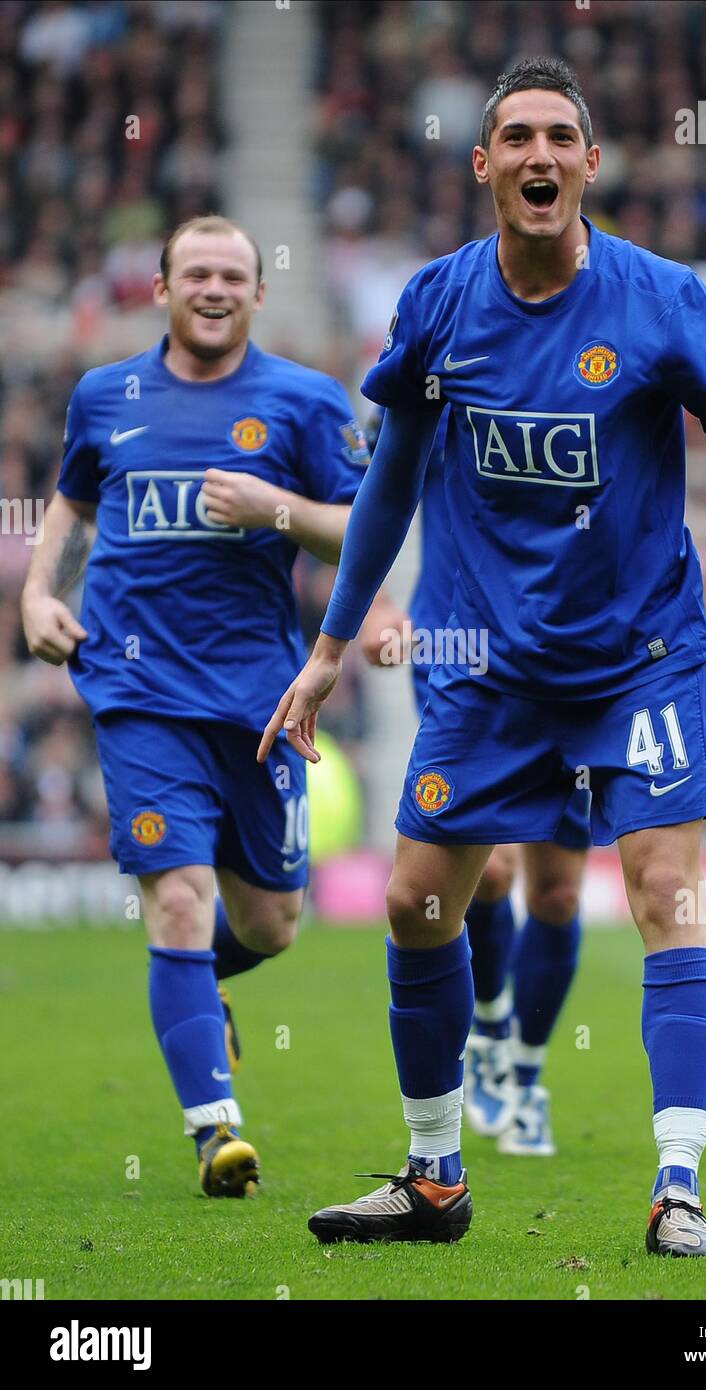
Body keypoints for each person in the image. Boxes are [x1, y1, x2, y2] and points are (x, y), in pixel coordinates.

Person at [260, 58, 706, 1255]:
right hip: (482, 662)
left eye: (561, 137)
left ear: (590, 164)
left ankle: (676, 1192)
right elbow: (390, 481)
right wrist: (330, 645)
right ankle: (433, 1178)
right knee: (414, 904)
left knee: (663, 893)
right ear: (483, 163)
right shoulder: (438, 303)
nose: (538, 157)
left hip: (638, 659)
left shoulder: (660, 300)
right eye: (515, 138)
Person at [21, 215, 368, 1198]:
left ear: (258, 294)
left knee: (270, 921)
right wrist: (38, 591)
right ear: (163, 288)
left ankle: (198, 989)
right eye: (196, 274)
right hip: (138, 692)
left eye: (232, 276)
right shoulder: (106, 395)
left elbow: (359, 530)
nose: (213, 289)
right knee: (179, 897)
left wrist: (280, 512)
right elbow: (74, 501)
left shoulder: (303, 402)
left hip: (260, 701)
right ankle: (215, 1128)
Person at [360, 407, 591, 1157]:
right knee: (486, 873)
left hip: (572, 659)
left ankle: (525, 1075)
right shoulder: (444, 357)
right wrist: (380, 601)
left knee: (554, 888)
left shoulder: (586, 362)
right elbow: (369, 490)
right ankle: (487, 1027)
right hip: (456, 648)